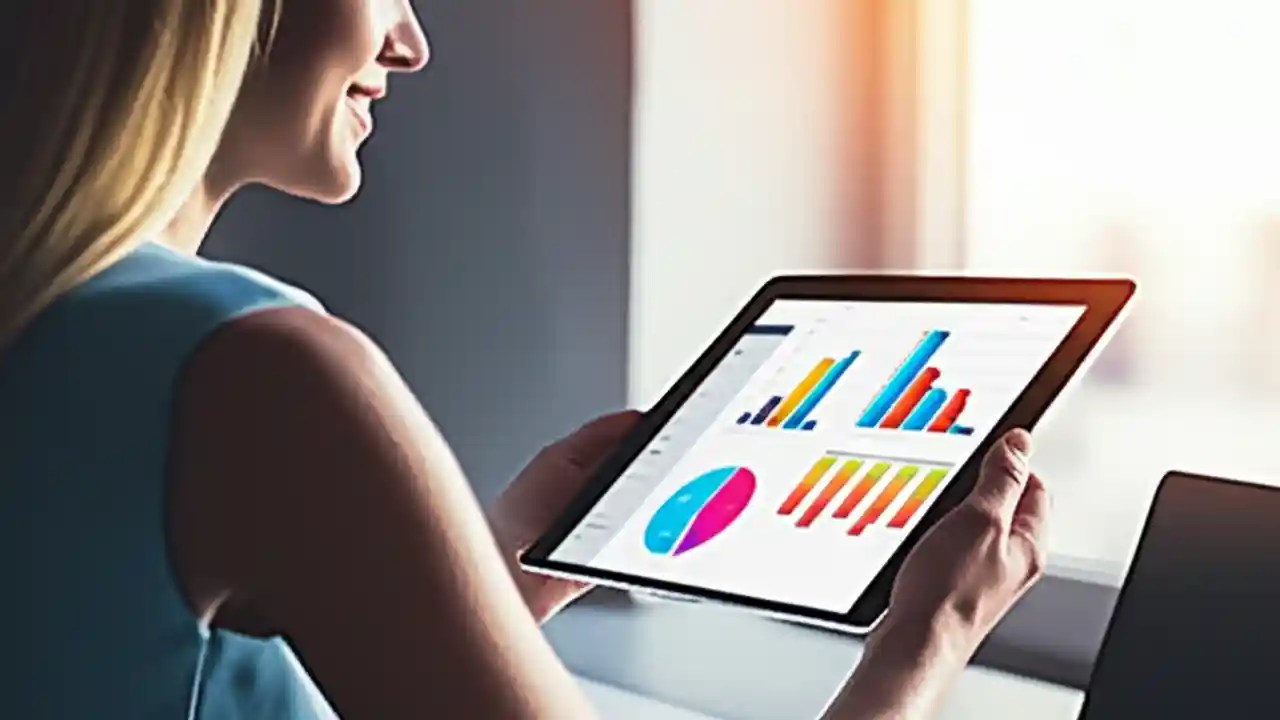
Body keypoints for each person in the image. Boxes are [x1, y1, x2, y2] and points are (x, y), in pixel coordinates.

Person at [0, 2, 1049, 718]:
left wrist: (484, 571)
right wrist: (923, 646)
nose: (409, 42)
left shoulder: (49, 307)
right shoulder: (265, 372)